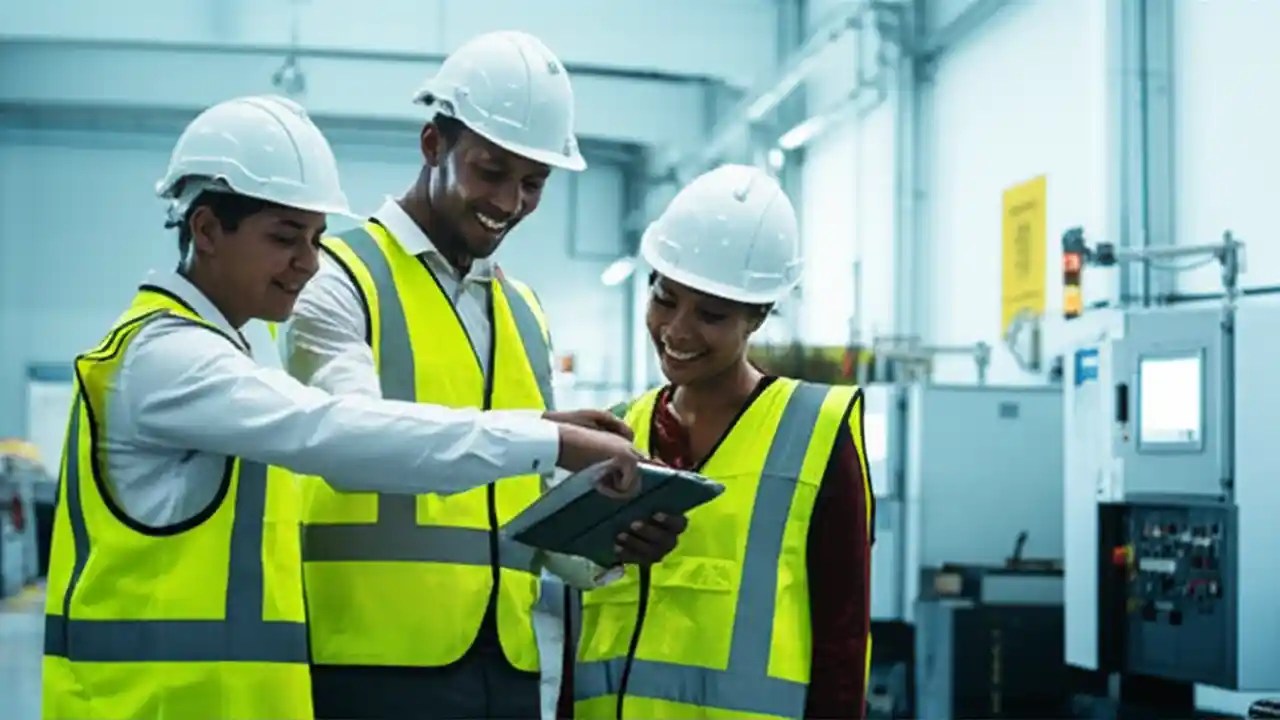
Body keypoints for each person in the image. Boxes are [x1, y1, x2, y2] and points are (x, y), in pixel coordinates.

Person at [40, 94, 645, 720]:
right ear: (207, 230)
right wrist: (547, 437)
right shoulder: (167, 359)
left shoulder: (226, 353)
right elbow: (335, 430)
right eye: (285, 238)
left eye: (316, 238)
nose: (308, 263)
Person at [283, 31, 687, 720]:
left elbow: (526, 511)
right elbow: (352, 444)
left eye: (533, 183)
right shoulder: (336, 281)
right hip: (369, 663)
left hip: (507, 667)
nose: (510, 200)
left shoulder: (524, 311)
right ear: (432, 145)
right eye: (491, 171)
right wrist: (546, 435)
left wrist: (609, 542)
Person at [569, 164, 875, 720]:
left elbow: (843, 635)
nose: (677, 330)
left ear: (757, 315)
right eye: (665, 299)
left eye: (711, 314)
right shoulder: (617, 432)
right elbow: (571, 618)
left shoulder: (814, 435)